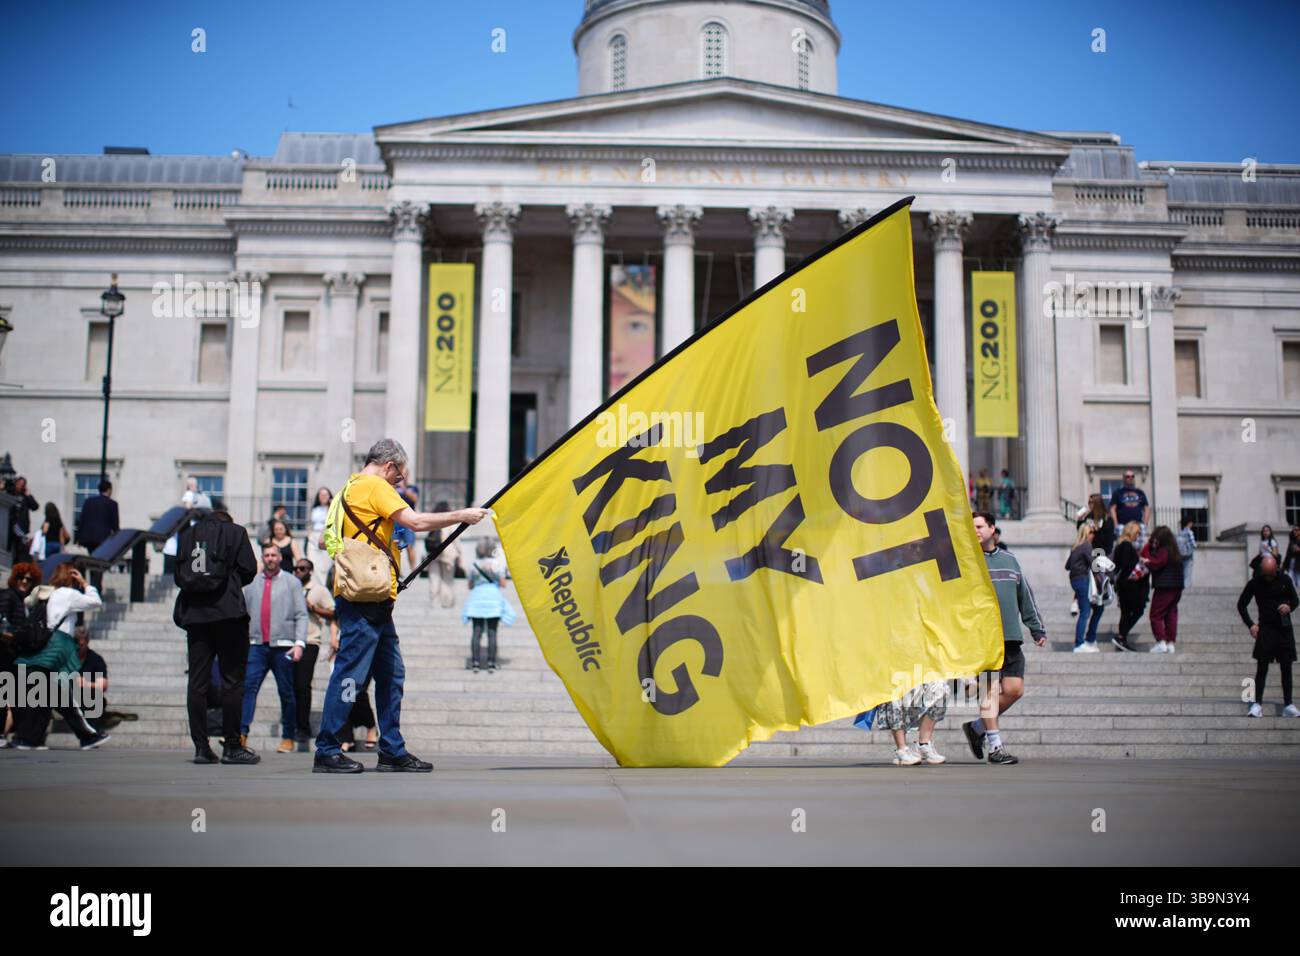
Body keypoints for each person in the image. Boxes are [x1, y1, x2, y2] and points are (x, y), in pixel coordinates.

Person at [313, 437, 490, 774]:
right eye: (400, 477)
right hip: (365, 601)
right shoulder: (375, 487)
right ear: (389, 465)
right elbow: (417, 523)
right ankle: (327, 748)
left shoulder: (347, 489)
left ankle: (391, 749)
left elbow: (326, 538)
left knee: (391, 674)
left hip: (368, 598)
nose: (401, 484)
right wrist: (461, 516)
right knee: (350, 674)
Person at [174, 505, 260, 765]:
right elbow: (249, 568)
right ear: (228, 518)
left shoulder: (188, 535)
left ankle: (201, 747)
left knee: (196, 683)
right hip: (228, 612)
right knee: (232, 681)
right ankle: (232, 745)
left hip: (196, 615)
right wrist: (231, 581)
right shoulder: (236, 532)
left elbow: (179, 572)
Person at [963, 512, 1047, 765]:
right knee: (989, 691)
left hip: (1010, 637)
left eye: (979, 526)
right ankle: (995, 747)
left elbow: (1025, 596)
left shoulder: (1010, 560)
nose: (975, 530)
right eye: (972, 526)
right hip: (984, 640)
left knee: (1014, 689)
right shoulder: (968, 562)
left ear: (992, 529)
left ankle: (977, 727)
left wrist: (1036, 628)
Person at [11, 564, 110, 750]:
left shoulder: (48, 594)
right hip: (58, 646)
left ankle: (30, 738)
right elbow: (95, 601)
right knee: (54, 692)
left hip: (42, 646)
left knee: (46, 692)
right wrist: (85, 583)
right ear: (71, 578)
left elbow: (28, 604)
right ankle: (86, 736)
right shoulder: (67, 593)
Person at [242, 542, 307, 754]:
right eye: (266, 555)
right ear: (262, 558)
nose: (270, 558)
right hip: (257, 646)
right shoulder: (251, 583)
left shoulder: (292, 582)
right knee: (248, 689)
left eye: (273, 555)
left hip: (283, 647)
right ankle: (241, 734)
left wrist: (299, 643)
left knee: (286, 693)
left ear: (280, 558)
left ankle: (288, 737)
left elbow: (301, 614)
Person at [1238, 556, 1299, 718]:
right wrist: (1251, 624)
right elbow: (1241, 604)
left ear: (1276, 569)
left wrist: (1289, 606)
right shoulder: (1256, 582)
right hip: (1265, 629)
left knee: (1286, 667)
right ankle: (1257, 703)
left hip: (1284, 629)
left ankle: (1288, 704)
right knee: (1262, 667)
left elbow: (1295, 599)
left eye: (1270, 574)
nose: (1268, 578)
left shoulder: (1285, 579)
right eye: (1265, 574)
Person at [292, 557, 334, 743]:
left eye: (303, 568)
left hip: (310, 640)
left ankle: (303, 727)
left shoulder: (319, 590)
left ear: (310, 570)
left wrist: (313, 608)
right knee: (290, 685)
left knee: (302, 684)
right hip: (289, 641)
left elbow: (334, 612)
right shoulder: (291, 587)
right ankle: (291, 724)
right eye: (296, 568)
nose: (298, 571)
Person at [0, 562, 42, 747]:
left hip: (19, 654)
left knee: (14, 696)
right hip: (5, 653)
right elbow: (2, 621)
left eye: (29, 579)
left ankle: (6, 733)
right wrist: (12, 635)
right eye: (21, 578)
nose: (24, 582)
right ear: (14, 578)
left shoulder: (28, 602)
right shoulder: (9, 596)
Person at [462, 537, 516, 672]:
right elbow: (503, 584)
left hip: (477, 600)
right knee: (492, 633)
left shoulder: (473, 564)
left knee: (476, 632)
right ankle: (491, 663)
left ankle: (475, 662)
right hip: (493, 599)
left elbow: (470, 585)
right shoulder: (498, 564)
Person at [879, 681, 948, 765]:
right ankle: (902, 750)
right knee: (894, 690)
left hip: (919, 674)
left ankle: (923, 744)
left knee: (941, 688)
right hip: (895, 674)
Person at [1141, 525, 1183, 654]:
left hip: (1165, 587)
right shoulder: (1174, 551)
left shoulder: (1164, 551)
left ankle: (1161, 642)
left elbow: (1156, 563)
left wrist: (1146, 559)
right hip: (1176, 587)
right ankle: (1170, 643)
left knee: (1156, 615)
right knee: (1171, 614)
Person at [1112, 521, 1150, 652]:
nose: (1138, 536)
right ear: (1132, 531)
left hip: (1123, 583)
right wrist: (1140, 563)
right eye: (1137, 532)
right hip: (1128, 583)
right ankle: (1121, 635)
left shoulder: (1120, 545)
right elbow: (1127, 564)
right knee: (1135, 610)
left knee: (1127, 611)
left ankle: (1122, 637)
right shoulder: (1126, 546)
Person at [76, 479, 120, 591]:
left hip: (88, 538)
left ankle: (90, 587)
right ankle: (95, 588)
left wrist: (79, 538)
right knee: (98, 563)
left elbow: (81, 520)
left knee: (93, 560)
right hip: (103, 538)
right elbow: (115, 525)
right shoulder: (112, 504)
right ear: (109, 490)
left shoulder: (88, 501)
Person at [1066, 523, 1102, 653]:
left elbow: (1067, 566)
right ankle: (1079, 644)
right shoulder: (1086, 545)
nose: (1093, 535)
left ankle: (1088, 640)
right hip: (1082, 580)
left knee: (1092, 609)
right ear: (1087, 534)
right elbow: (1093, 564)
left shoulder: (1075, 547)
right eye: (1091, 532)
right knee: (1085, 612)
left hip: (1075, 580)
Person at [427, 499, 463, 608]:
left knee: (434, 578)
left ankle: (434, 602)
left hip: (433, 554)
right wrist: (460, 554)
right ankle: (446, 602)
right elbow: (456, 540)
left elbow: (429, 538)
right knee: (447, 579)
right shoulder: (451, 522)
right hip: (448, 554)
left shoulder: (432, 520)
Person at [1108, 470, 1151, 547]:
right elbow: (1112, 508)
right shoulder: (1118, 493)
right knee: (1123, 547)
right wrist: (1116, 524)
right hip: (1122, 526)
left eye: (1132, 476)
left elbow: (1146, 508)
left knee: (1139, 549)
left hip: (1138, 526)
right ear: (1123, 478)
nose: (1130, 478)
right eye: (1128, 477)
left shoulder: (1140, 492)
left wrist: (1145, 524)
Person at [307, 487, 333, 587]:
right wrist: (309, 534)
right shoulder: (315, 509)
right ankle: (314, 587)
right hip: (313, 537)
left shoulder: (331, 508)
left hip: (325, 536)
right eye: (321, 494)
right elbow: (310, 523)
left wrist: (331, 504)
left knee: (324, 565)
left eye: (325, 494)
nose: (323, 497)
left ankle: (322, 588)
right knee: (313, 563)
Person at [8, 476, 38, 558]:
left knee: (21, 549)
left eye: (22, 484)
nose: (20, 486)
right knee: (10, 548)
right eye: (18, 484)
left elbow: (35, 507)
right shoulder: (10, 493)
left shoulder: (25, 496)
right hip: (10, 526)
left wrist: (28, 495)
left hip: (22, 527)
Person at [1177, 516, 1197, 589]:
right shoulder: (1189, 532)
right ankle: (1187, 588)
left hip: (1181, 555)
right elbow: (1193, 544)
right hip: (1188, 555)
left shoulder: (1180, 533)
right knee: (1188, 572)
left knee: (1182, 572)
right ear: (1189, 523)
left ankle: (1182, 587)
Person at [1284, 527, 1300, 591]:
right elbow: (1288, 553)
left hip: (1298, 562)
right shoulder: (1292, 541)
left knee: (1298, 578)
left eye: (1296, 530)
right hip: (1292, 562)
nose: (1295, 532)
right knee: (1290, 577)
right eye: (1293, 530)